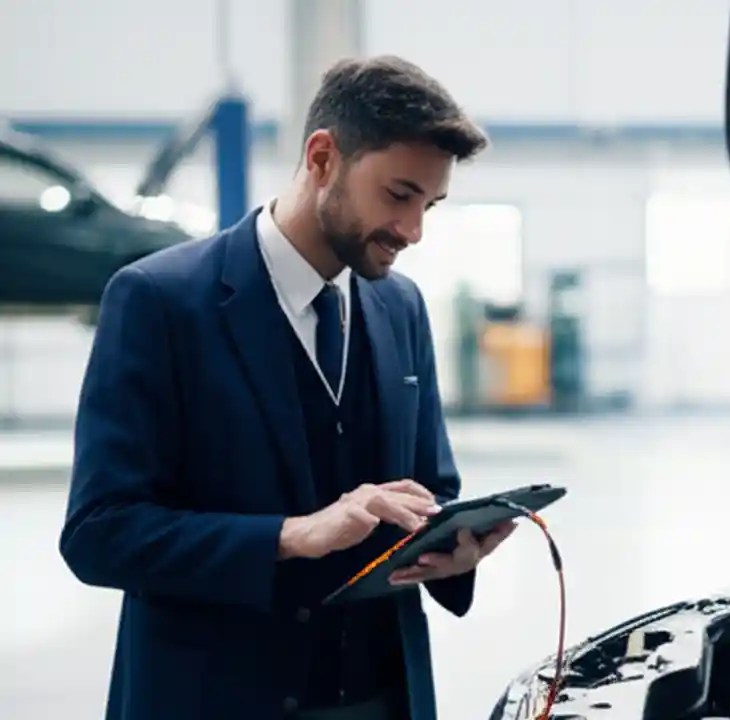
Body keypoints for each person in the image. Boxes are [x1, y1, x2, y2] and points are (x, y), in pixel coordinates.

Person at [58, 55, 515, 720]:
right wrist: (289, 535)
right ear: (324, 157)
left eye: (429, 204)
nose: (413, 231)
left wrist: (448, 548)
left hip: (382, 699)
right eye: (398, 195)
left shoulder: (402, 308)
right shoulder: (159, 301)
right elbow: (100, 533)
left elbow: (428, 486)